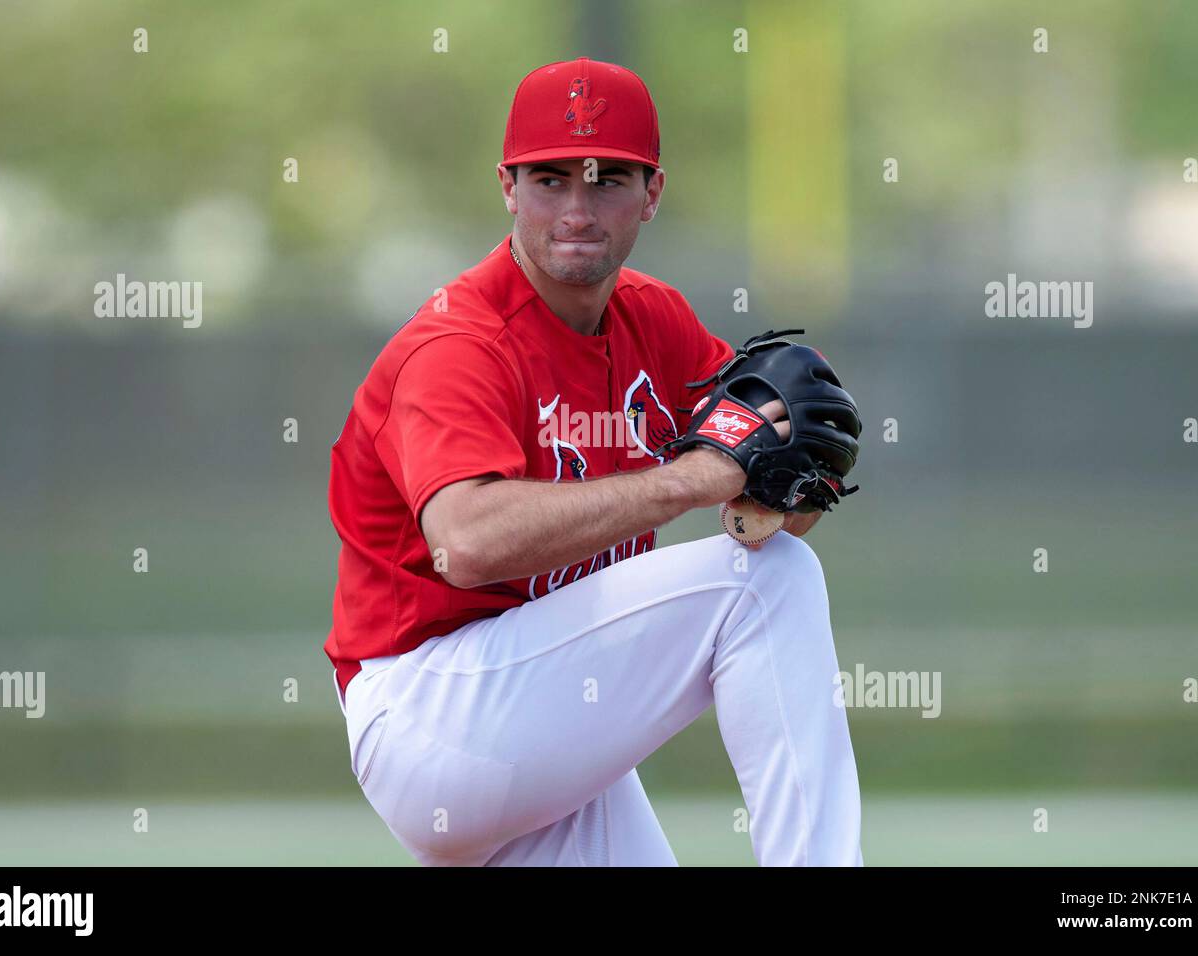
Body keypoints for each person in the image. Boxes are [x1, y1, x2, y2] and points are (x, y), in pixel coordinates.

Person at [325, 57, 861, 866]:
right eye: (550, 179)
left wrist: (791, 473)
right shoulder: (457, 345)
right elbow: (463, 544)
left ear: (653, 192)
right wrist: (696, 478)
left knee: (776, 563)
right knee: (768, 582)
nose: (576, 209)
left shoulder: (659, 322)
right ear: (508, 186)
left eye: (608, 179)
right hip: (431, 709)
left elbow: (783, 494)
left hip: (542, 710)